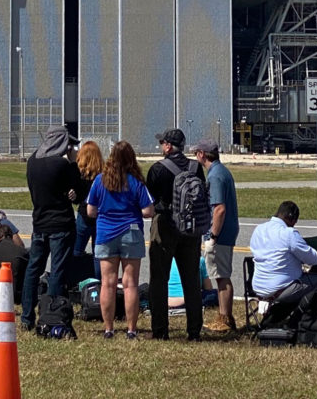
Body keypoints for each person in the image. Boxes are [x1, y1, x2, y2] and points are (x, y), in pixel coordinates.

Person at [85, 140, 154, 339]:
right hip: (130, 231)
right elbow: (148, 210)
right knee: (130, 283)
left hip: (106, 233)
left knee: (107, 283)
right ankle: (131, 329)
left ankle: (109, 328)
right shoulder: (135, 182)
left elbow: (90, 210)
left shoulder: (100, 180)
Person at [145, 127, 204, 340]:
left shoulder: (158, 168)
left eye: (162, 143)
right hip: (191, 227)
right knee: (191, 279)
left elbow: (148, 199)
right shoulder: (195, 167)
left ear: (168, 146)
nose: (161, 146)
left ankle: (160, 330)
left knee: (159, 279)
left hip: (164, 224)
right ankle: (194, 330)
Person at [21, 125, 79, 329]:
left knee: (33, 269)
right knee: (57, 271)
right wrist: (73, 163)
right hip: (60, 222)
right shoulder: (60, 165)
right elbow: (77, 189)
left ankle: (26, 317)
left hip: (39, 222)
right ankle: (51, 315)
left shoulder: (32, 161)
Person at [249, 200, 317, 306]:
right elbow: (312, 259)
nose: (294, 225)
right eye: (295, 222)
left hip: (258, 288)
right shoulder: (288, 233)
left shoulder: (259, 229)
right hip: (281, 290)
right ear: (292, 218)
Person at [193, 139, 239, 333]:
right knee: (220, 275)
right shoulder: (220, 171)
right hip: (226, 231)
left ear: (202, 154)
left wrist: (212, 235)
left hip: (220, 233)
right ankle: (224, 315)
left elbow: (219, 209)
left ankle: (225, 317)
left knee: (221, 277)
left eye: (196, 153)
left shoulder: (216, 176)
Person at [73, 140, 104, 262]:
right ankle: (98, 279)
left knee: (76, 249)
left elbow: (77, 198)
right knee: (98, 253)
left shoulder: (80, 174)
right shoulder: (103, 175)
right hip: (99, 214)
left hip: (84, 214)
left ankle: (74, 276)